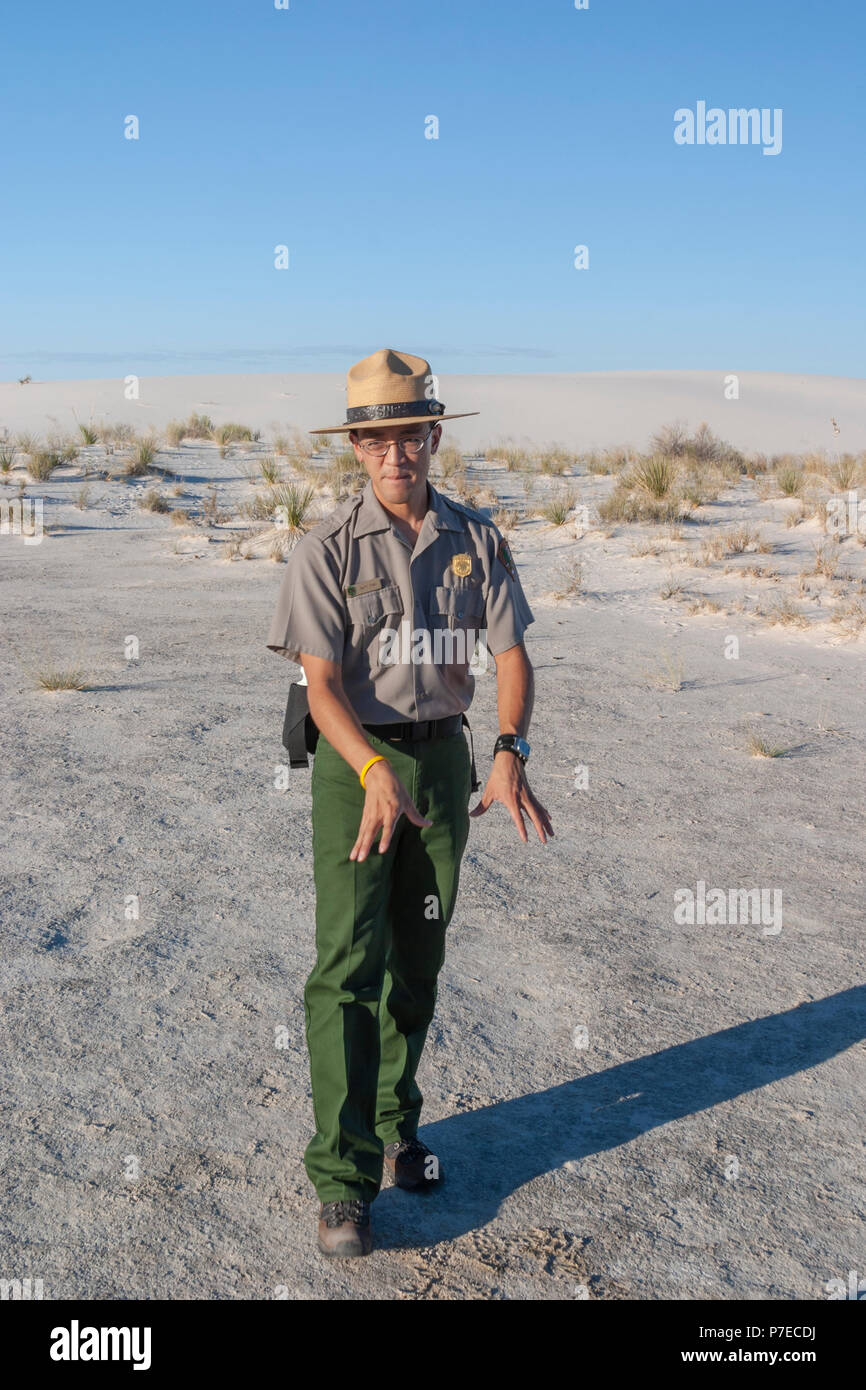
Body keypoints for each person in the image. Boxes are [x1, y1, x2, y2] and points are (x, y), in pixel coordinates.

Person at [266, 348, 553, 1257]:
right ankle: (343, 1182)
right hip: (358, 771)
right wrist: (367, 768)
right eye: (377, 439)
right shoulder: (325, 549)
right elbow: (319, 687)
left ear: (434, 436)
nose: (397, 455)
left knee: (418, 960)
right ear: (356, 446)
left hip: (441, 767)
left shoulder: (475, 540)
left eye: (411, 436)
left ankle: (397, 1128)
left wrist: (507, 750)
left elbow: (511, 655)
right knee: (347, 969)